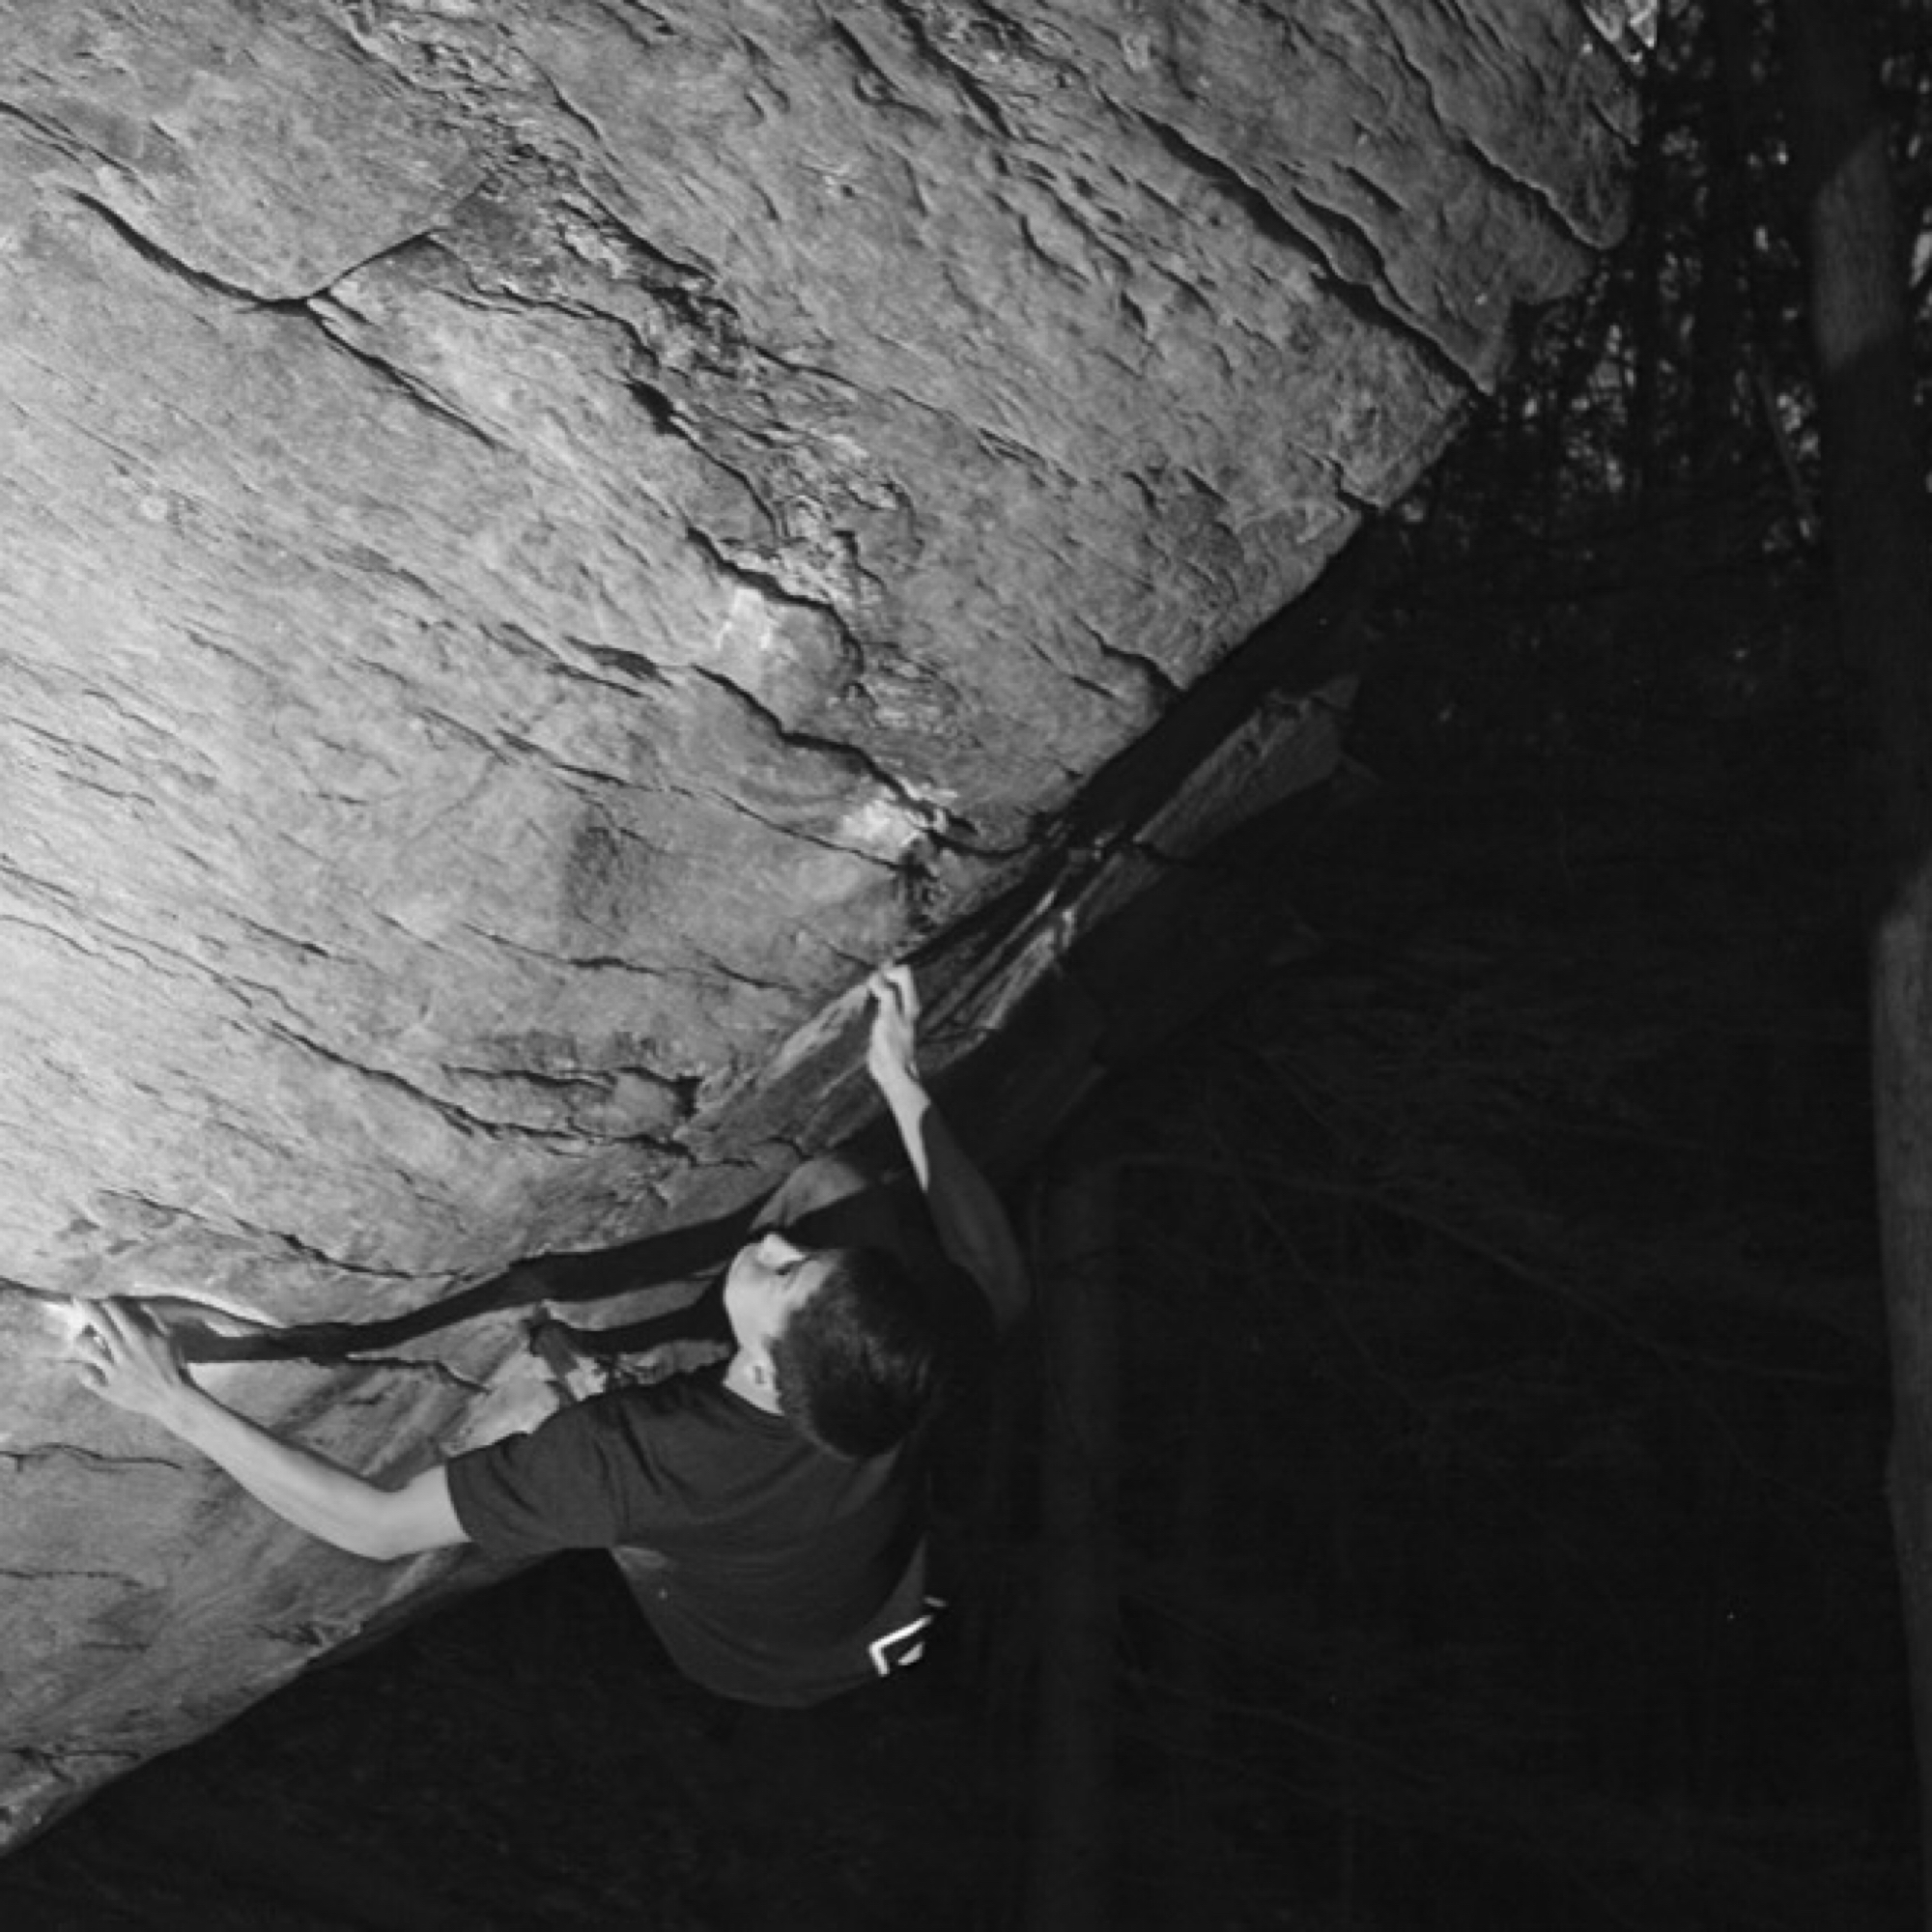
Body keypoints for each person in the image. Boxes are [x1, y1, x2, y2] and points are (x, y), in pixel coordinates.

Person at [75, 963, 1027, 1707]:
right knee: (833, 1189)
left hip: (757, 1655)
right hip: (864, 1576)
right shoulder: (911, 1357)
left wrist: (173, 1400)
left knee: (611, 1465)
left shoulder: (644, 1456)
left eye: (782, 1275)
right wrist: (899, 1080)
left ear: (773, 1374)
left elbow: (375, 1525)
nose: (773, 1243)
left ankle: (612, 1383)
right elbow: (996, 1275)